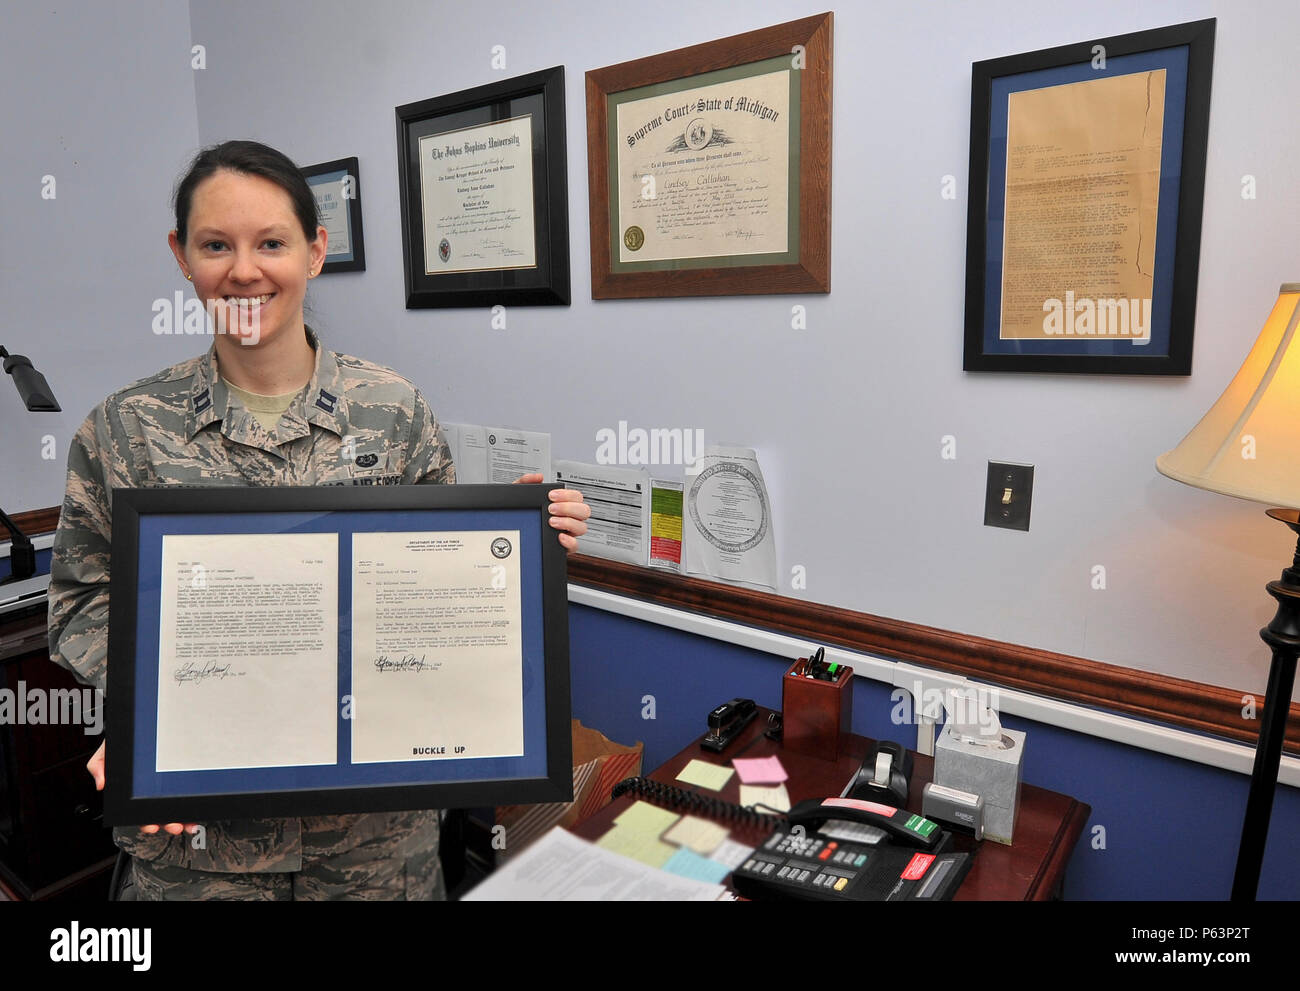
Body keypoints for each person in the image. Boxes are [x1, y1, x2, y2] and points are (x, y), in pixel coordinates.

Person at [46, 140, 590, 900]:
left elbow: (434, 595)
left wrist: (524, 549)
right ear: (181, 256)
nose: (244, 270)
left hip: (374, 847)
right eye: (215, 245)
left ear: (315, 251)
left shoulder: (395, 411)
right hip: (203, 852)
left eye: (271, 242)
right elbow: (78, 601)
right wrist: (152, 702)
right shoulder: (123, 429)